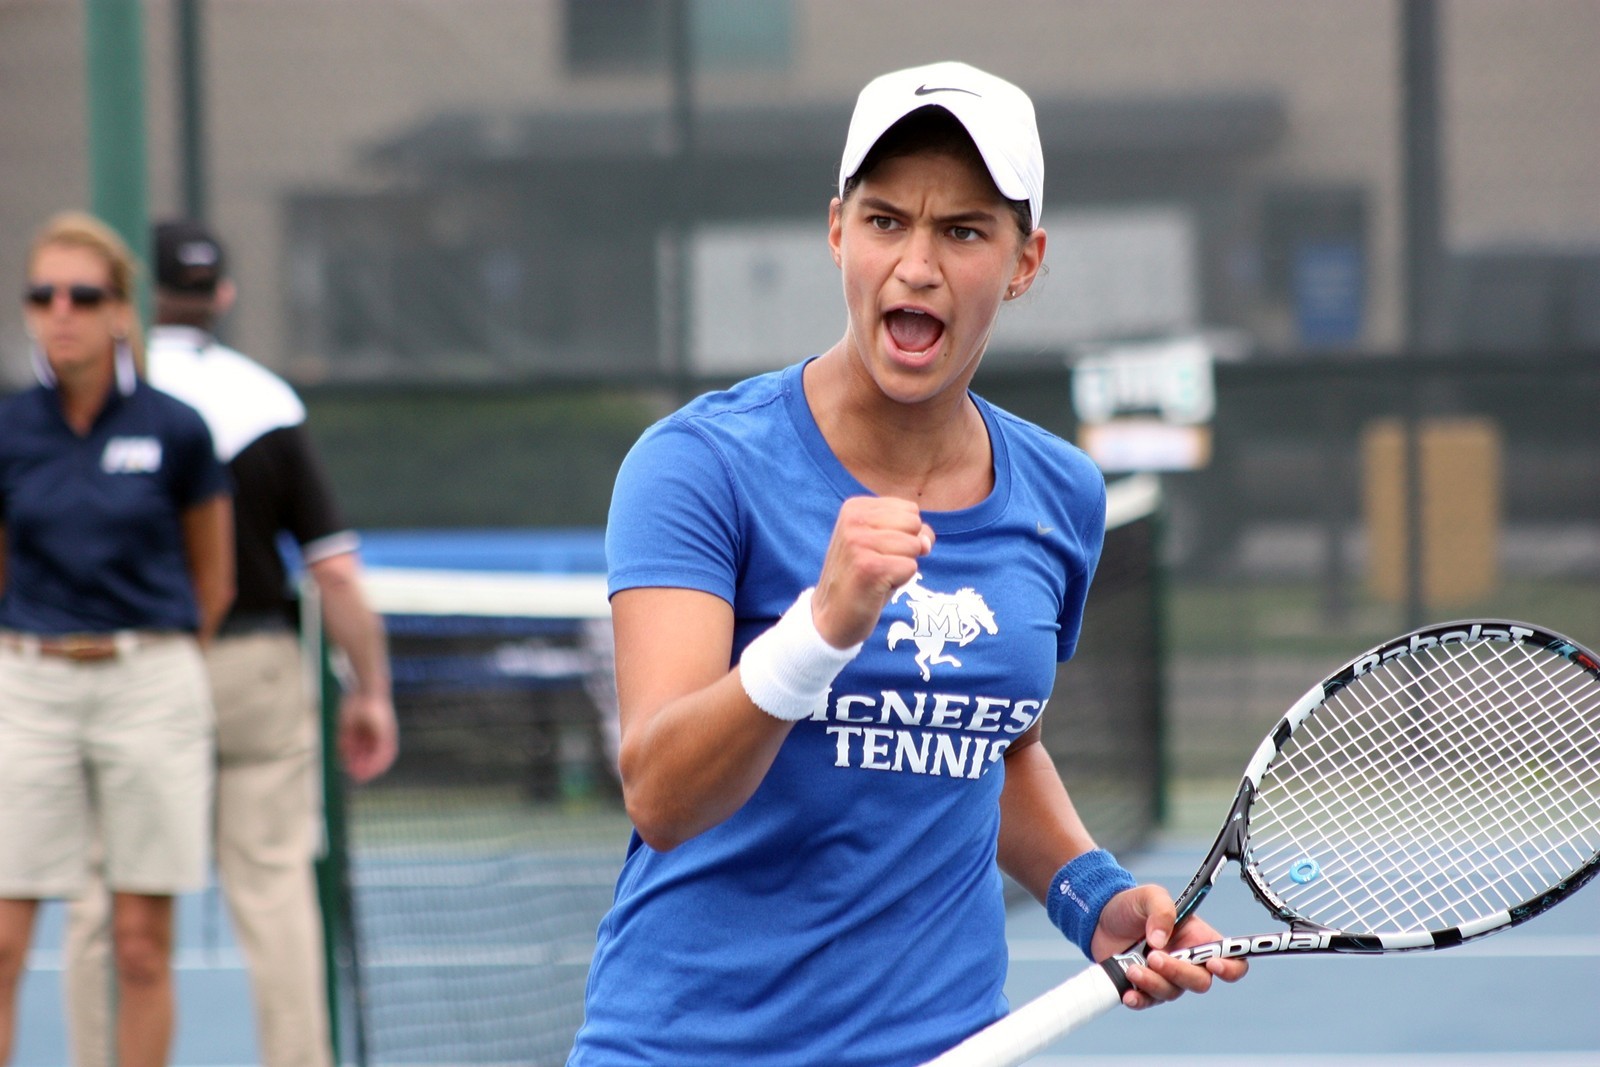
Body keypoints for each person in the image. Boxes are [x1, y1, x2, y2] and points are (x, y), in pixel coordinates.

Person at [567, 62, 1247, 1066]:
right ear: (837, 229)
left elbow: (992, 739)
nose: (917, 265)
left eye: (963, 231)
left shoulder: (1062, 495)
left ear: (1025, 261)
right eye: (887, 221)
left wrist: (1092, 895)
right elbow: (660, 792)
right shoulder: (698, 464)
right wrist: (818, 629)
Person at [63, 219, 399, 1067]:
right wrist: (371, 689)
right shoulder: (267, 401)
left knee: (108, 900)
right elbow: (336, 573)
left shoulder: (95, 401)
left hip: (134, 670)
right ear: (224, 296)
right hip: (254, 668)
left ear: (137, 294)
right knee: (276, 890)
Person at [0, 211, 234, 1067]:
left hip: (149, 683)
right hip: (28, 687)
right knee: (4, 942)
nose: (62, 311)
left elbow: (213, 577)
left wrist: (157, 657)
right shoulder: (9, 431)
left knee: (139, 944)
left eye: (83, 294)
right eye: (43, 294)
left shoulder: (176, 428)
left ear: (120, 310)